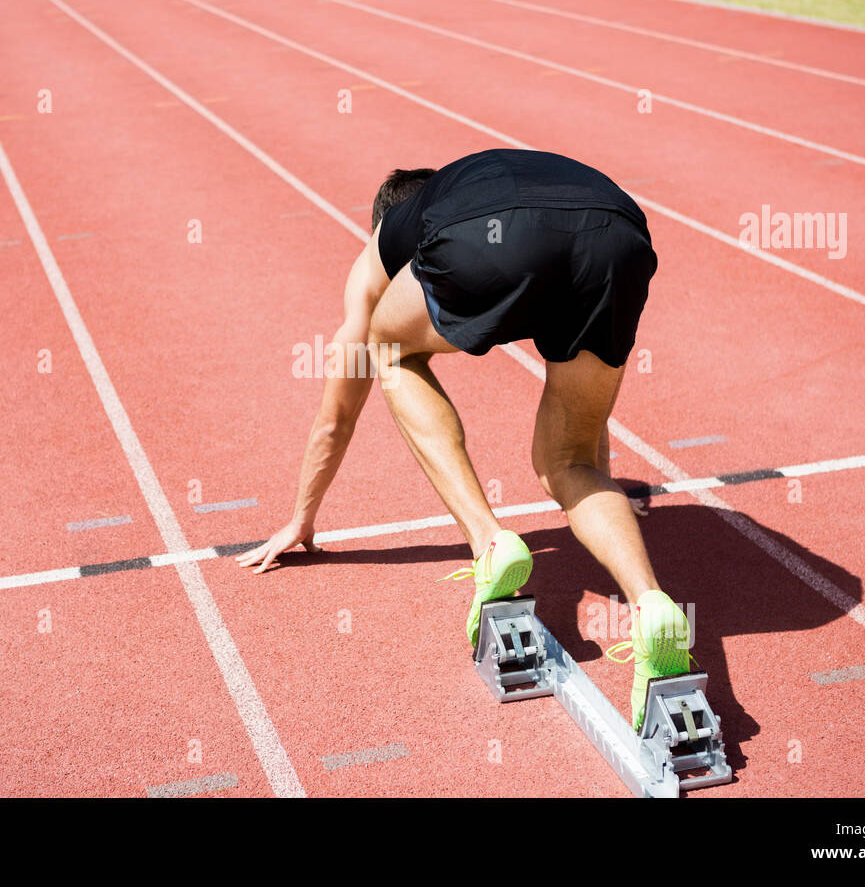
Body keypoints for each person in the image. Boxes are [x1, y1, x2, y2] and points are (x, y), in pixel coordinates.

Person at [237, 149, 691, 729]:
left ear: (383, 224)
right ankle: (651, 603)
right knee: (570, 460)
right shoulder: (465, 184)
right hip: (616, 230)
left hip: (489, 237)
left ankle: (490, 542)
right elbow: (590, 436)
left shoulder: (383, 245)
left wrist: (303, 516)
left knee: (390, 347)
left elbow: (339, 408)